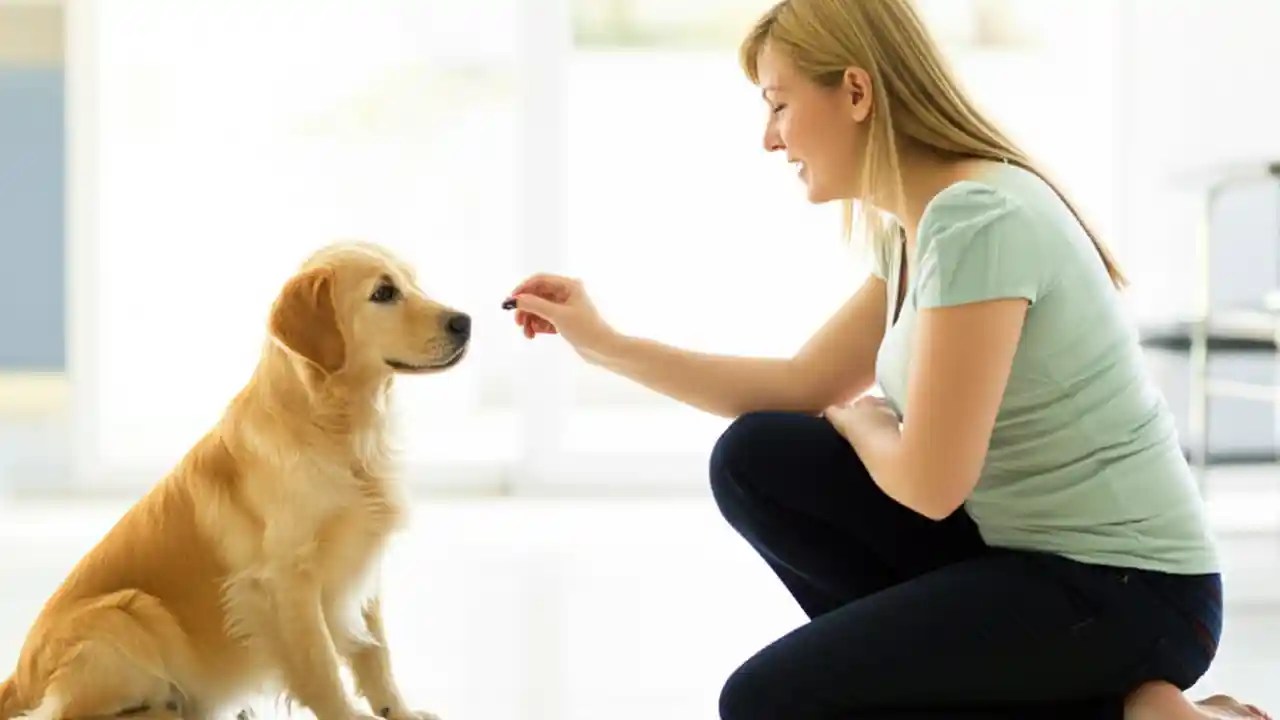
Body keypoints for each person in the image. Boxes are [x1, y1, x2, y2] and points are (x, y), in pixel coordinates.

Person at [505, 1, 1271, 718]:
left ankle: (1115, 700)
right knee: (756, 458)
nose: (769, 138)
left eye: (778, 105)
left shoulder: (979, 219)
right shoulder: (915, 226)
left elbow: (931, 484)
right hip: (1024, 558)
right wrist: (605, 345)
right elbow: (800, 385)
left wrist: (869, 425)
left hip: (1133, 592)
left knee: (766, 703)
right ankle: (1118, 707)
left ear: (857, 92)